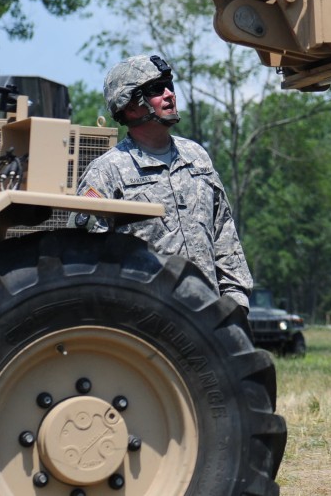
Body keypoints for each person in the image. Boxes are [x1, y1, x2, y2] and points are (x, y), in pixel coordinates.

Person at [74, 54, 253, 315]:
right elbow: (84, 258)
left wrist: (236, 302)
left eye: (170, 85)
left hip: (208, 321)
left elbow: (224, 232)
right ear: (129, 105)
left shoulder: (197, 157)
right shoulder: (106, 172)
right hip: (145, 325)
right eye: (156, 89)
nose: (169, 95)